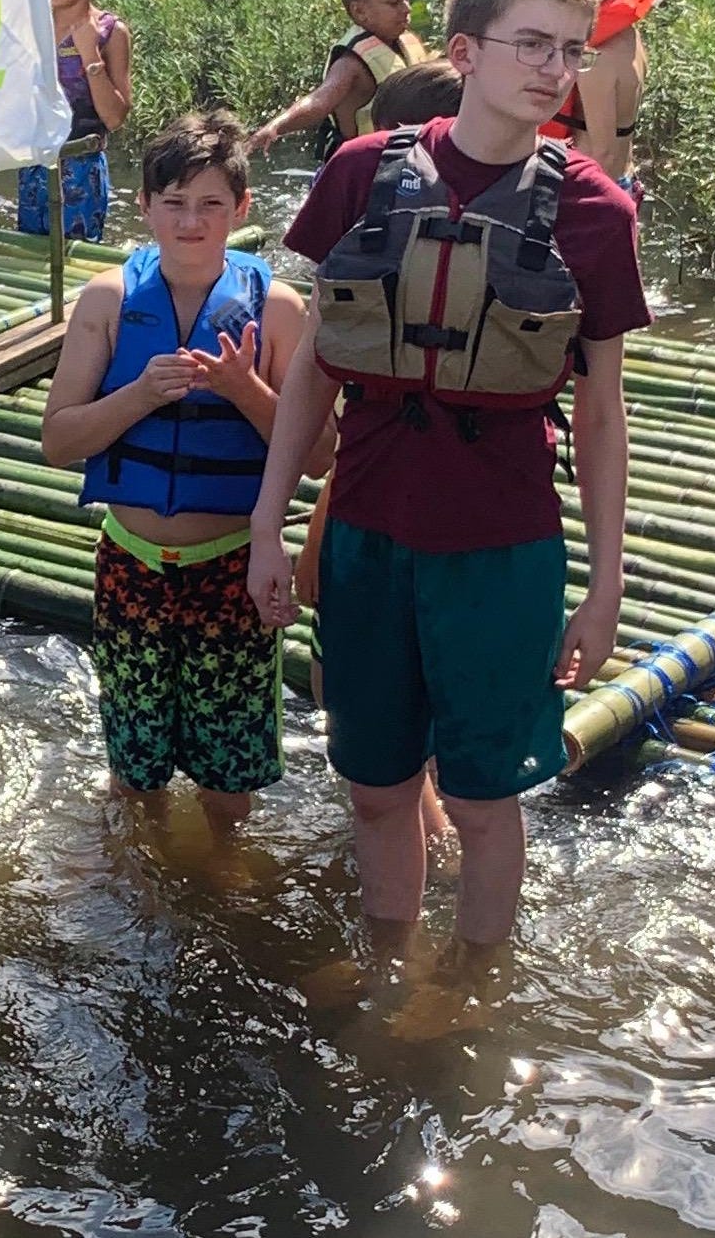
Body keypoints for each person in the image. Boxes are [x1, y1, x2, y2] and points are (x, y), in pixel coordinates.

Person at [246, 0, 648, 958]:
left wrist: (603, 588)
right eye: (530, 45)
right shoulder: (359, 172)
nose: (554, 68)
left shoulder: (596, 213)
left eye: (570, 49)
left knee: (480, 796)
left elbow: (601, 415)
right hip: (368, 533)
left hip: (498, 546)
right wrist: (266, 525)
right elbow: (312, 369)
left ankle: (471, 990)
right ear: (461, 51)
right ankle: (390, 962)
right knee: (375, 786)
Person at [42, 111, 310, 826]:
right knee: (135, 772)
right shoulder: (106, 300)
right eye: (174, 204)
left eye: (211, 205)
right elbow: (58, 442)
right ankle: (138, 892)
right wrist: (136, 394)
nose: (191, 222)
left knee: (229, 782)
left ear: (241, 210)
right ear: (144, 207)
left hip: (231, 568)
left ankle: (221, 884)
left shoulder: (278, 310)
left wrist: (244, 390)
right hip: (130, 564)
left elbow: (320, 452)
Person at [295, 55, 465, 847]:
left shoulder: (388, 222)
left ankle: (422, 822)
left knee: (378, 713)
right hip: (428, 503)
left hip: (388, 495)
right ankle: (426, 820)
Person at [249, 0, 428, 159]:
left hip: (405, 159)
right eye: (394, 2)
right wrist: (275, 127)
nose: (407, 8)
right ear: (360, 12)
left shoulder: (406, 43)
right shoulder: (351, 64)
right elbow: (318, 101)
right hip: (362, 167)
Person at [20, 0, 133, 242]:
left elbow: (114, 118)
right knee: (28, 255)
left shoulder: (111, 32)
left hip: (82, 165)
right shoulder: (30, 23)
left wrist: (90, 56)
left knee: (75, 258)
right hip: (35, 161)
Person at [545, 0, 658, 186]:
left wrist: (591, 209)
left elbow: (603, 153)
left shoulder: (595, 61)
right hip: (625, 176)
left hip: (597, 186)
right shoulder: (629, 36)